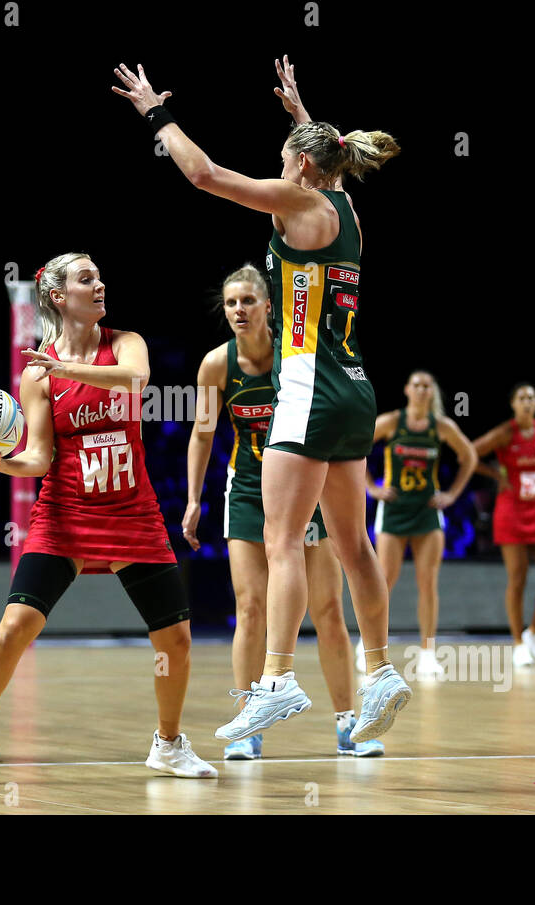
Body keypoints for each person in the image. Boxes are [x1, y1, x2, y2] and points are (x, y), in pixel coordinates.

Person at [114, 57, 411, 745]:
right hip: (357, 391)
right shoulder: (345, 210)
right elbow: (325, 157)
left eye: (282, 159)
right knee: (353, 544)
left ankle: (276, 681)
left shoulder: (299, 203)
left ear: (301, 170)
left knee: (281, 541)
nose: (277, 169)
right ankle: (382, 668)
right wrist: (305, 117)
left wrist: (155, 113)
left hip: (307, 391)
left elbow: (204, 175)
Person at [0, 253, 217, 786]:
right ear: (57, 296)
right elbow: (39, 458)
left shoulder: (125, 342)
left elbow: (136, 380)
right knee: (17, 625)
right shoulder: (36, 376)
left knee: (176, 640)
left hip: (132, 511)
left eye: (99, 276)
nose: (100, 284)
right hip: (64, 513)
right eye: (86, 279)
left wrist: (64, 367)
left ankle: (168, 744)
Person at [185, 264, 383, 757]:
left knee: (329, 609)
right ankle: (248, 723)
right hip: (249, 491)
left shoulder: (296, 357)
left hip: (306, 488)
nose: (238, 310)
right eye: (231, 303)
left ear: (269, 305)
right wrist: (192, 500)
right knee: (250, 609)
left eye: (248, 301)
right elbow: (203, 433)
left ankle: (347, 722)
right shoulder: (215, 366)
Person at [363, 371, 478, 678]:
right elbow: (355, 446)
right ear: (407, 389)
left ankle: (427, 653)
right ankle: (370, 648)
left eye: (427, 385)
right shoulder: (390, 422)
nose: (422, 389)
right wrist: (371, 488)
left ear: (432, 392)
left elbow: (470, 456)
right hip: (394, 510)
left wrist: (452, 494)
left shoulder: (442, 427)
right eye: (416, 384)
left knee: (428, 584)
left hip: (427, 512)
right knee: (383, 582)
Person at [471, 383, 535, 667]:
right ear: (513, 404)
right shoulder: (504, 433)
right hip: (510, 510)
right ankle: (518, 643)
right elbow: (470, 453)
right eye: (522, 398)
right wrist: (495, 475)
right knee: (518, 578)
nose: (527, 402)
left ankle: (534, 632)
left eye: (532, 397)